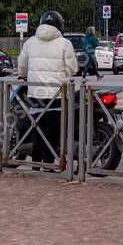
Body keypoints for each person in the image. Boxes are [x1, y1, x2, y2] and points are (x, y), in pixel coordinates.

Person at [17, 11, 78, 166]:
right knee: (53, 130)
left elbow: (22, 67)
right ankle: (50, 165)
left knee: (37, 128)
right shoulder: (65, 44)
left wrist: (24, 75)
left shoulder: (30, 42)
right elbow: (72, 69)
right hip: (57, 95)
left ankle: (37, 164)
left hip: (35, 94)